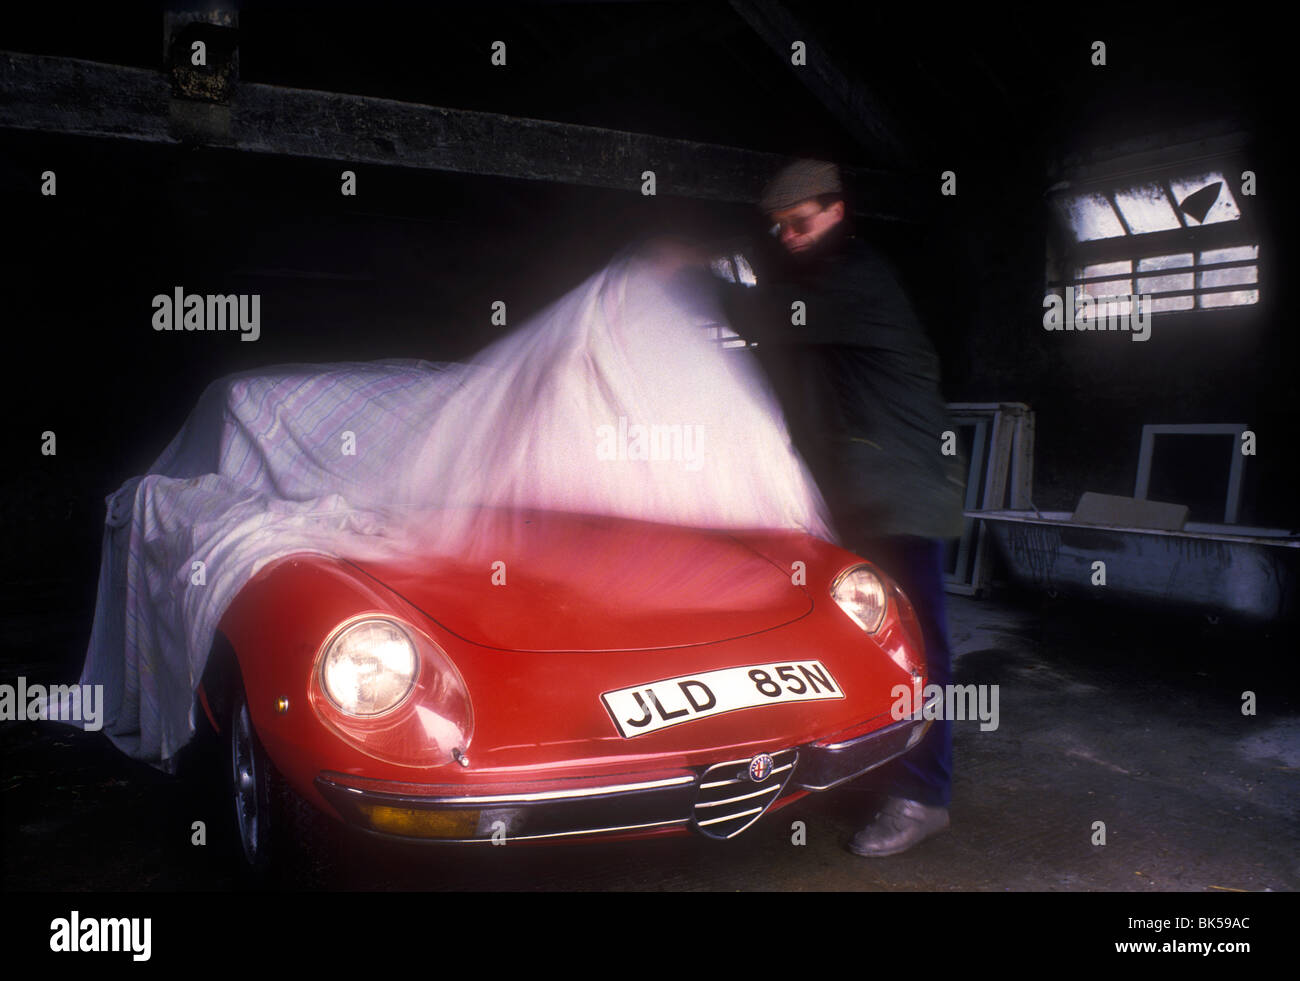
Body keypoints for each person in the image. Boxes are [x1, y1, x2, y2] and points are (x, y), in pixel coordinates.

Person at [701, 159, 966, 856]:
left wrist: (690, 277)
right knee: (854, 639)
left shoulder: (855, 278)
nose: (788, 236)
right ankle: (874, 763)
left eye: (801, 222)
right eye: (779, 227)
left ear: (838, 211)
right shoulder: (817, 276)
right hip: (859, 493)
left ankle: (923, 794)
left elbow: (766, 318)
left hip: (900, 493)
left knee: (919, 649)